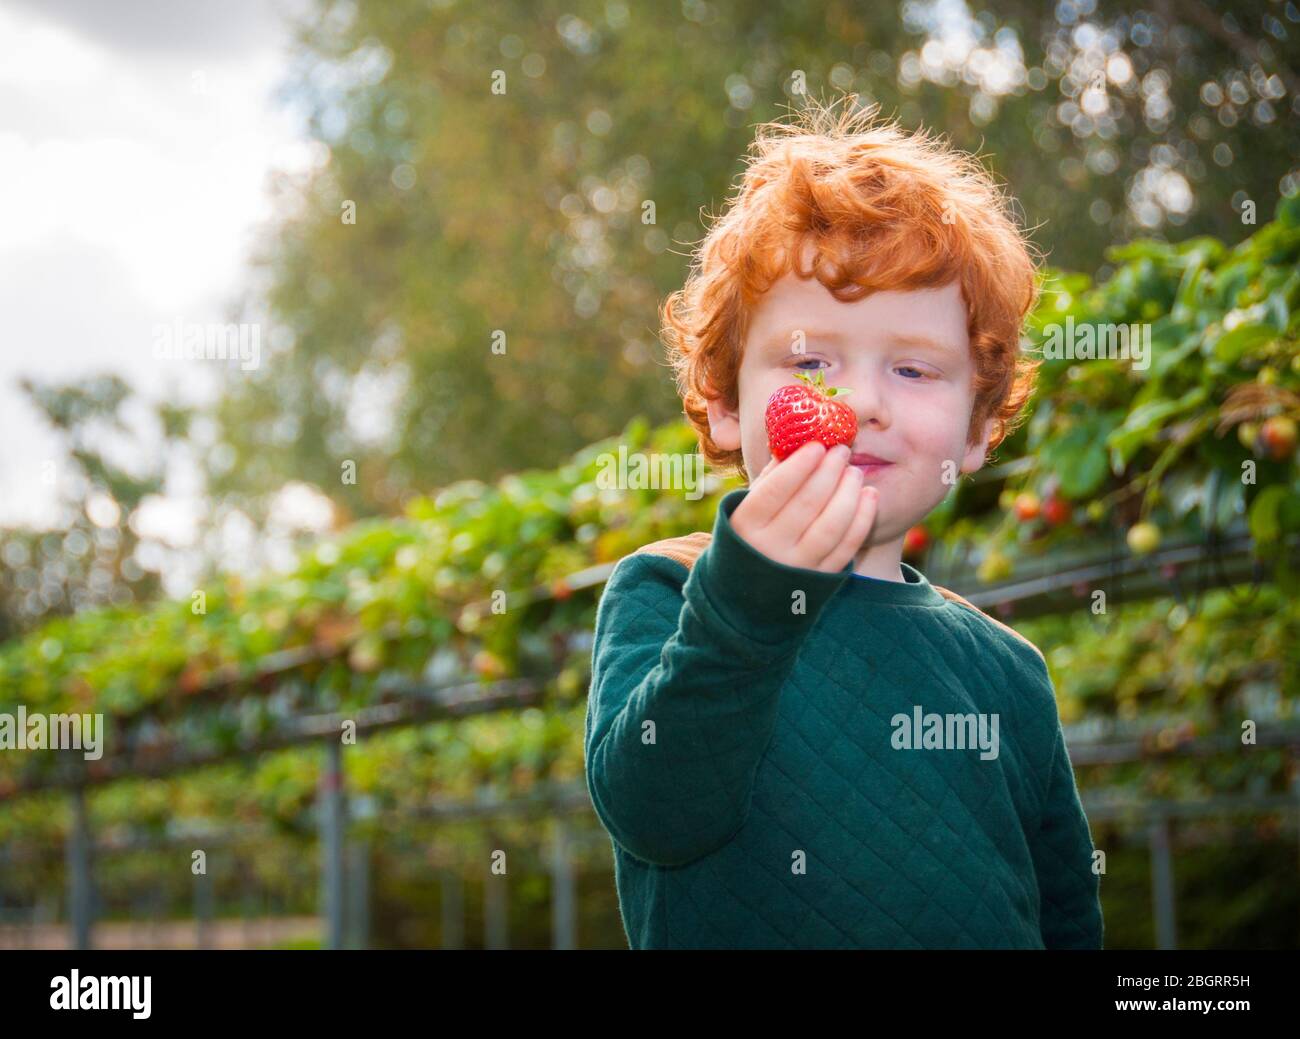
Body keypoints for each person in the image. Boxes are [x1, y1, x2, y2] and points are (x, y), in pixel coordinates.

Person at [583, 95, 1103, 949]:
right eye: (811, 360)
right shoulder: (668, 593)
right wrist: (747, 602)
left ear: (977, 431)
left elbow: (1067, 915)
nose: (858, 402)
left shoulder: (1010, 672)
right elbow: (657, 815)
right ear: (721, 404)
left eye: (912, 367)